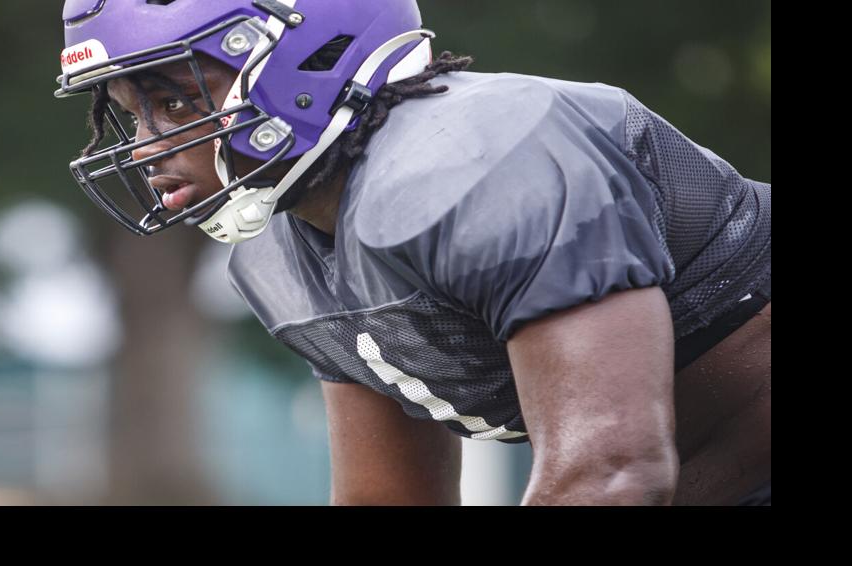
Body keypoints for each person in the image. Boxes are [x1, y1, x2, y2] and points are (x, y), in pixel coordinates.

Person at [53, 0, 770, 504]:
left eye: (175, 103)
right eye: (131, 112)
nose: (146, 149)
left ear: (301, 63)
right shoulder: (282, 249)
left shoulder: (478, 159)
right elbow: (385, 498)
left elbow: (611, 473)